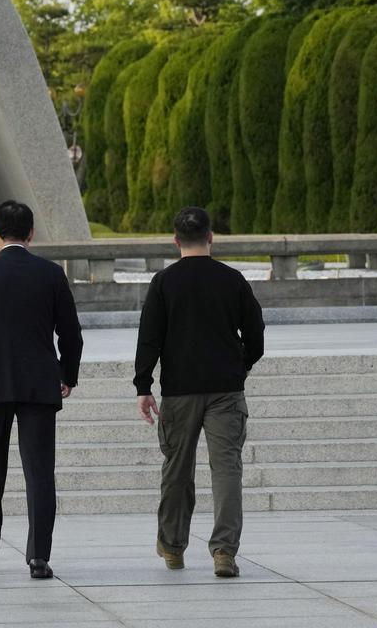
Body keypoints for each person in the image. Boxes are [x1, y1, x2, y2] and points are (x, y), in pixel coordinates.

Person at [0, 200, 83, 579]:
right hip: (39, 383)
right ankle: (39, 556)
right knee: (39, 470)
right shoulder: (51, 274)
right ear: (31, 234)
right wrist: (67, 375)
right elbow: (71, 333)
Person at [134, 206, 264, 578]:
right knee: (227, 471)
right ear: (210, 237)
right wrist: (242, 364)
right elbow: (256, 333)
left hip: (179, 391)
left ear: (175, 240)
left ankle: (173, 546)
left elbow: (149, 339)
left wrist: (144, 385)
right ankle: (224, 551)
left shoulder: (164, 282)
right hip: (225, 389)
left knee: (177, 470)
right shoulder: (232, 279)